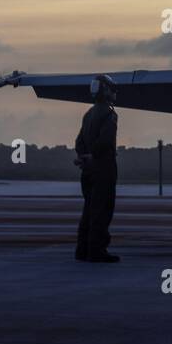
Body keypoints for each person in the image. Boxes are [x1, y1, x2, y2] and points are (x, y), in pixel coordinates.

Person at [74, 74, 120, 262]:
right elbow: (106, 140)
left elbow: (79, 141)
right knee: (102, 210)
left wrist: (84, 157)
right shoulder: (109, 113)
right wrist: (95, 156)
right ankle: (97, 251)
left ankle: (82, 250)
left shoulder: (89, 114)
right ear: (106, 90)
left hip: (88, 170)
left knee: (89, 210)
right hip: (103, 168)